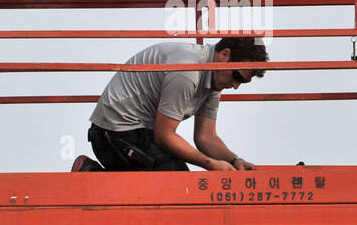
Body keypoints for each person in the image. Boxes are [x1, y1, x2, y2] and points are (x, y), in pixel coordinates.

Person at [71, 36, 268, 173]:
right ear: (224, 55)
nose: (235, 86)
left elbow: (206, 137)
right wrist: (211, 164)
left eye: (244, 82)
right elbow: (164, 136)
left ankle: (97, 172)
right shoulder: (187, 71)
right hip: (113, 133)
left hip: (140, 132)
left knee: (175, 177)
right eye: (237, 76)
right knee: (176, 179)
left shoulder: (214, 80)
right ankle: (93, 173)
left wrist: (234, 160)